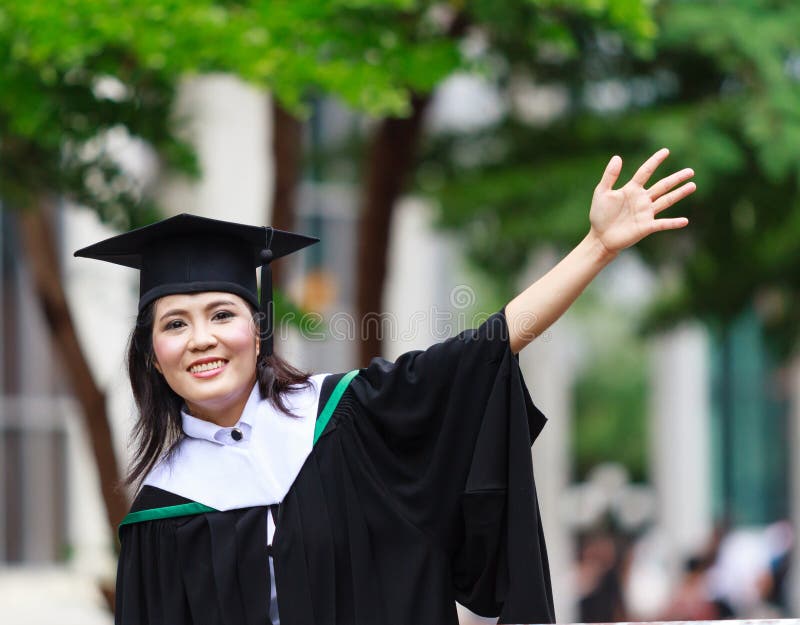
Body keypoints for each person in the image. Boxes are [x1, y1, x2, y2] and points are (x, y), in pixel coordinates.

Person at [76, 148, 695, 625]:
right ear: (153, 357)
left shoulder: (347, 418)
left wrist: (596, 248)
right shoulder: (159, 516)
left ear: (258, 332)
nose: (202, 339)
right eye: (175, 324)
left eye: (222, 314)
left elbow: (486, 348)